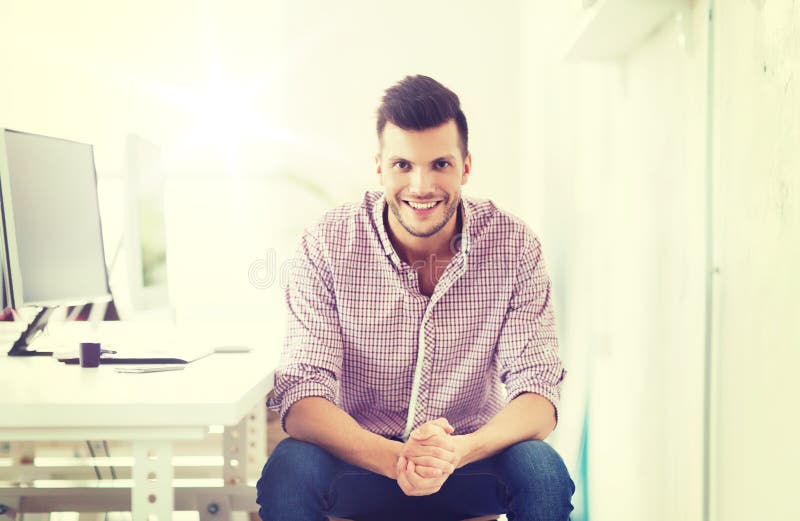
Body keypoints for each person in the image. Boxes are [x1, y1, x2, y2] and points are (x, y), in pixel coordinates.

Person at [257, 75, 574, 521]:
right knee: (288, 471)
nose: (421, 185)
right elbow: (302, 396)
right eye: (403, 165)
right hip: (361, 464)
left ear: (465, 166)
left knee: (543, 471)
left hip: (465, 463)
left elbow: (539, 392)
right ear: (380, 167)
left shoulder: (514, 245)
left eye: (440, 164)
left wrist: (458, 451)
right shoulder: (326, 244)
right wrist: (396, 459)